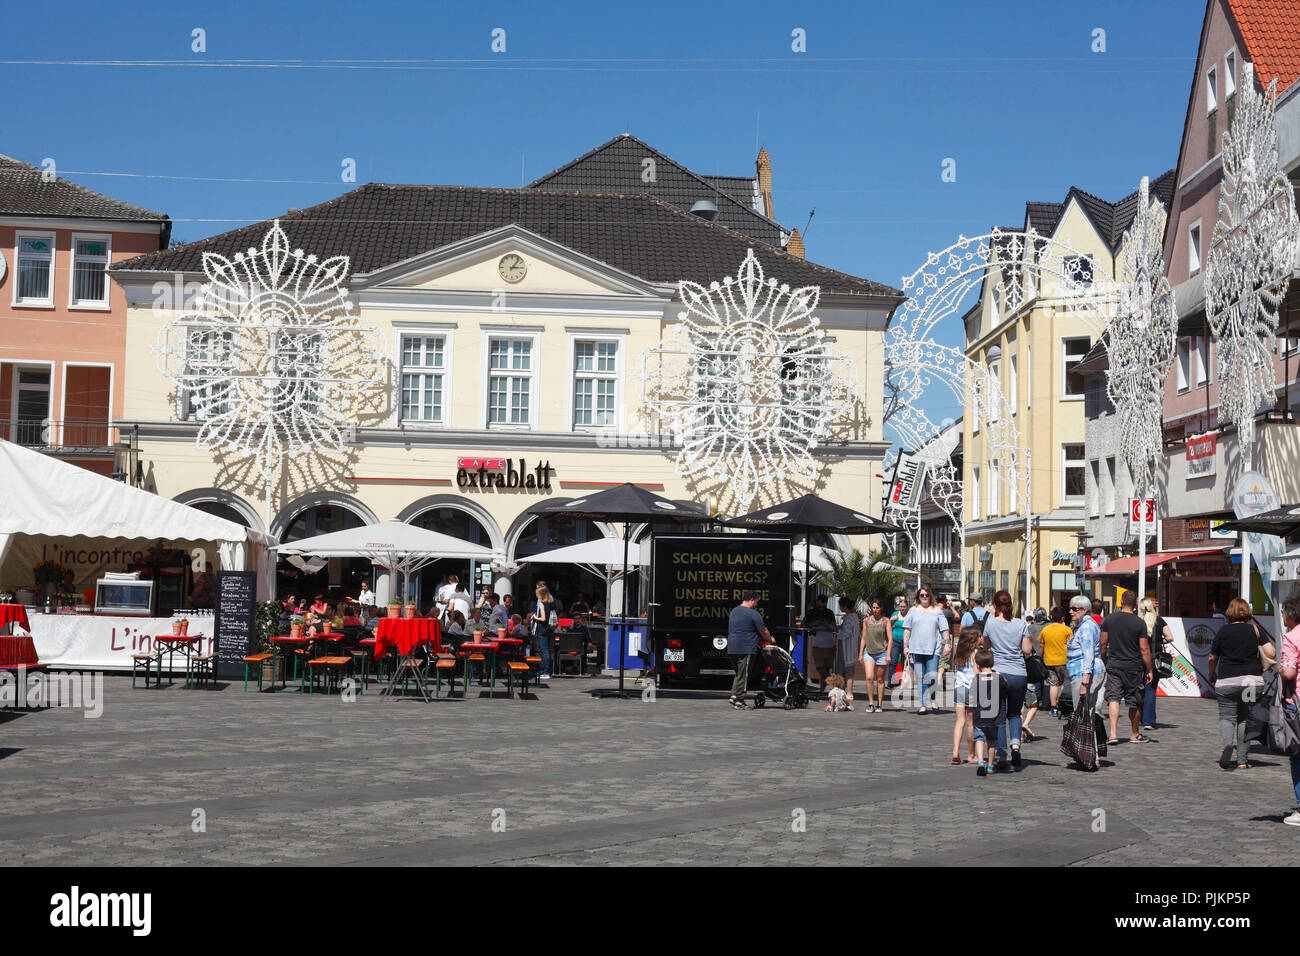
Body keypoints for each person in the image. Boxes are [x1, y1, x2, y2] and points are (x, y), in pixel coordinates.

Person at [1207, 597, 1276, 770]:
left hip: (1227, 682)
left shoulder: (1223, 631)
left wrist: (1211, 673)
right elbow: (1271, 653)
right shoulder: (1255, 630)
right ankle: (1242, 761)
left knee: (1227, 717)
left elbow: (1212, 657)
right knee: (1245, 718)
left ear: (1230, 612)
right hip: (1252, 682)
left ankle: (1227, 746)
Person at [981, 589, 1032, 770]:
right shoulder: (1020, 624)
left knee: (999, 716)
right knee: (1015, 713)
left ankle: (1001, 755)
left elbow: (986, 647)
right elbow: (1027, 651)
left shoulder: (990, 623)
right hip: (1018, 674)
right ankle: (1016, 746)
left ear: (995, 605)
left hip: (998, 673)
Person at [1100, 590, 1155, 746]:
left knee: (1113, 698)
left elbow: (1103, 644)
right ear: (1135, 604)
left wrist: (1104, 661)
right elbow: (1144, 649)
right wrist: (1150, 670)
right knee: (1134, 701)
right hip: (1133, 667)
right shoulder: (1139, 623)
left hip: (1114, 665)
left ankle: (1113, 734)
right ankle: (1134, 734)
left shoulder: (1109, 619)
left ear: (1121, 602)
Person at [903, 587, 950, 714]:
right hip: (916, 649)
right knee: (921, 677)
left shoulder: (937, 611)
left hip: (933, 649)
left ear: (930, 596)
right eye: (922, 595)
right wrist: (905, 646)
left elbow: (944, 629)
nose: (924, 597)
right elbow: (907, 630)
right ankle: (923, 704)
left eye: (926, 595)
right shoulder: (913, 611)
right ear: (918, 596)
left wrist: (947, 644)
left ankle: (933, 699)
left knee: (932, 675)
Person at [727, 591, 772, 709]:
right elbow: (764, 631)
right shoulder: (753, 613)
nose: (757, 604)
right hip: (746, 647)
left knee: (739, 673)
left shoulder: (734, 611)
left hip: (732, 647)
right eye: (757, 601)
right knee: (744, 674)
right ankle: (740, 700)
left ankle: (734, 695)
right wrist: (771, 639)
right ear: (752, 600)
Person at [1277, 596, 1300, 826]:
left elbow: (1290, 674)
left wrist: (1281, 669)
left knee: (1297, 755)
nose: (1282, 616)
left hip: (1296, 702)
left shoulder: (1292, 638)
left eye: (1284, 612)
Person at [971, 648, 1009, 777]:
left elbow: (972, 696)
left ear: (977, 664)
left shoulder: (976, 678)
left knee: (980, 739)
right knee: (992, 741)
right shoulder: (997, 678)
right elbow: (1006, 688)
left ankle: (981, 761)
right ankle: (991, 765)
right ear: (993, 664)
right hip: (994, 716)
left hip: (979, 715)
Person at [1139, 598, 1174, 730]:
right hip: (1155, 659)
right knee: (1151, 689)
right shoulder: (1159, 621)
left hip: (1139, 658)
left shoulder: (1138, 622)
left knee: (1140, 689)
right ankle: (1148, 721)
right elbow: (1170, 637)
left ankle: (1141, 718)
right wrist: (1160, 642)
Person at [950, 626, 982, 765]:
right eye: (980, 636)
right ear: (974, 639)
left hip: (959, 687)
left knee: (959, 721)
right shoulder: (976, 653)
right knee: (971, 723)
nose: (982, 638)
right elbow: (976, 672)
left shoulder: (959, 652)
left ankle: (955, 752)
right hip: (971, 689)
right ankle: (971, 754)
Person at [1039, 606, 1073, 717]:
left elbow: (1041, 645)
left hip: (1049, 661)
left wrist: (1040, 657)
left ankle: (1053, 708)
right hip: (1063, 660)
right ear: (1062, 619)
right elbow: (1071, 645)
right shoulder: (1067, 630)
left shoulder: (1045, 630)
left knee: (1053, 684)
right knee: (1063, 683)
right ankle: (1061, 703)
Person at [859, 599, 890, 713]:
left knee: (880, 679)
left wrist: (888, 654)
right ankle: (871, 703)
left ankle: (879, 704)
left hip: (882, 651)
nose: (875, 610)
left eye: (877, 608)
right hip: (869, 652)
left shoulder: (885, 621)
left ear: (881, 608)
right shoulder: (866, 621)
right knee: (869, 677)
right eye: (873, 608)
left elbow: (890, 639)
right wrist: (860, 653)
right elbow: (863, 638)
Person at [804, 595, 838, 688]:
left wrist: (826, 624)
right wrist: (816, 623)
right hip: (817, 644)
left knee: (826, 669)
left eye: (823, 606)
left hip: (829, 644)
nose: (821, 608)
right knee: (821, 669)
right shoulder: (811, 612)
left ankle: (822, 690)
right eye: (819, 606)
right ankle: (834, 683)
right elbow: (806, 624)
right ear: (817, 602)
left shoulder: (829, 613)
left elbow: (834, 627)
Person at [835, 597, 861, 709]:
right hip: (852, 647)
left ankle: (847, 693)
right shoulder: (854, 617)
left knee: (845, 671)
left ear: (845, 606)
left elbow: (846, 633)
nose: (840, 608)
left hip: (847, 648)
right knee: (849, 671)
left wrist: (837, 634)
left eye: (840, 605)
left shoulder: (850, 618)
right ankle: (846, 692)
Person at [532, 583, 557, 680]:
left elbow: (543, 618)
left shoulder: (542, 604)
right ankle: (544, 671)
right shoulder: (550, 603)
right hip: (547, 629)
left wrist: (535, 617)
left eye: (537, 593)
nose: (536, 595)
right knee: (545, 650)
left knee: (543, 650)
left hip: (542, 628)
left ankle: (545, 671)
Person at [888, 598, 908, 687]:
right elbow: (888, 624)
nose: (902, 608)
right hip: (895, 641)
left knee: (905, 663)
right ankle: (892, 682)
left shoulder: (909, 615)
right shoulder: (895, 614)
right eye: (900, 606)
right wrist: (892, 620)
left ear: (906, 607)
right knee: (893, 661)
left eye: (904, 607)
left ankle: (903, 682)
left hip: (905, 642)